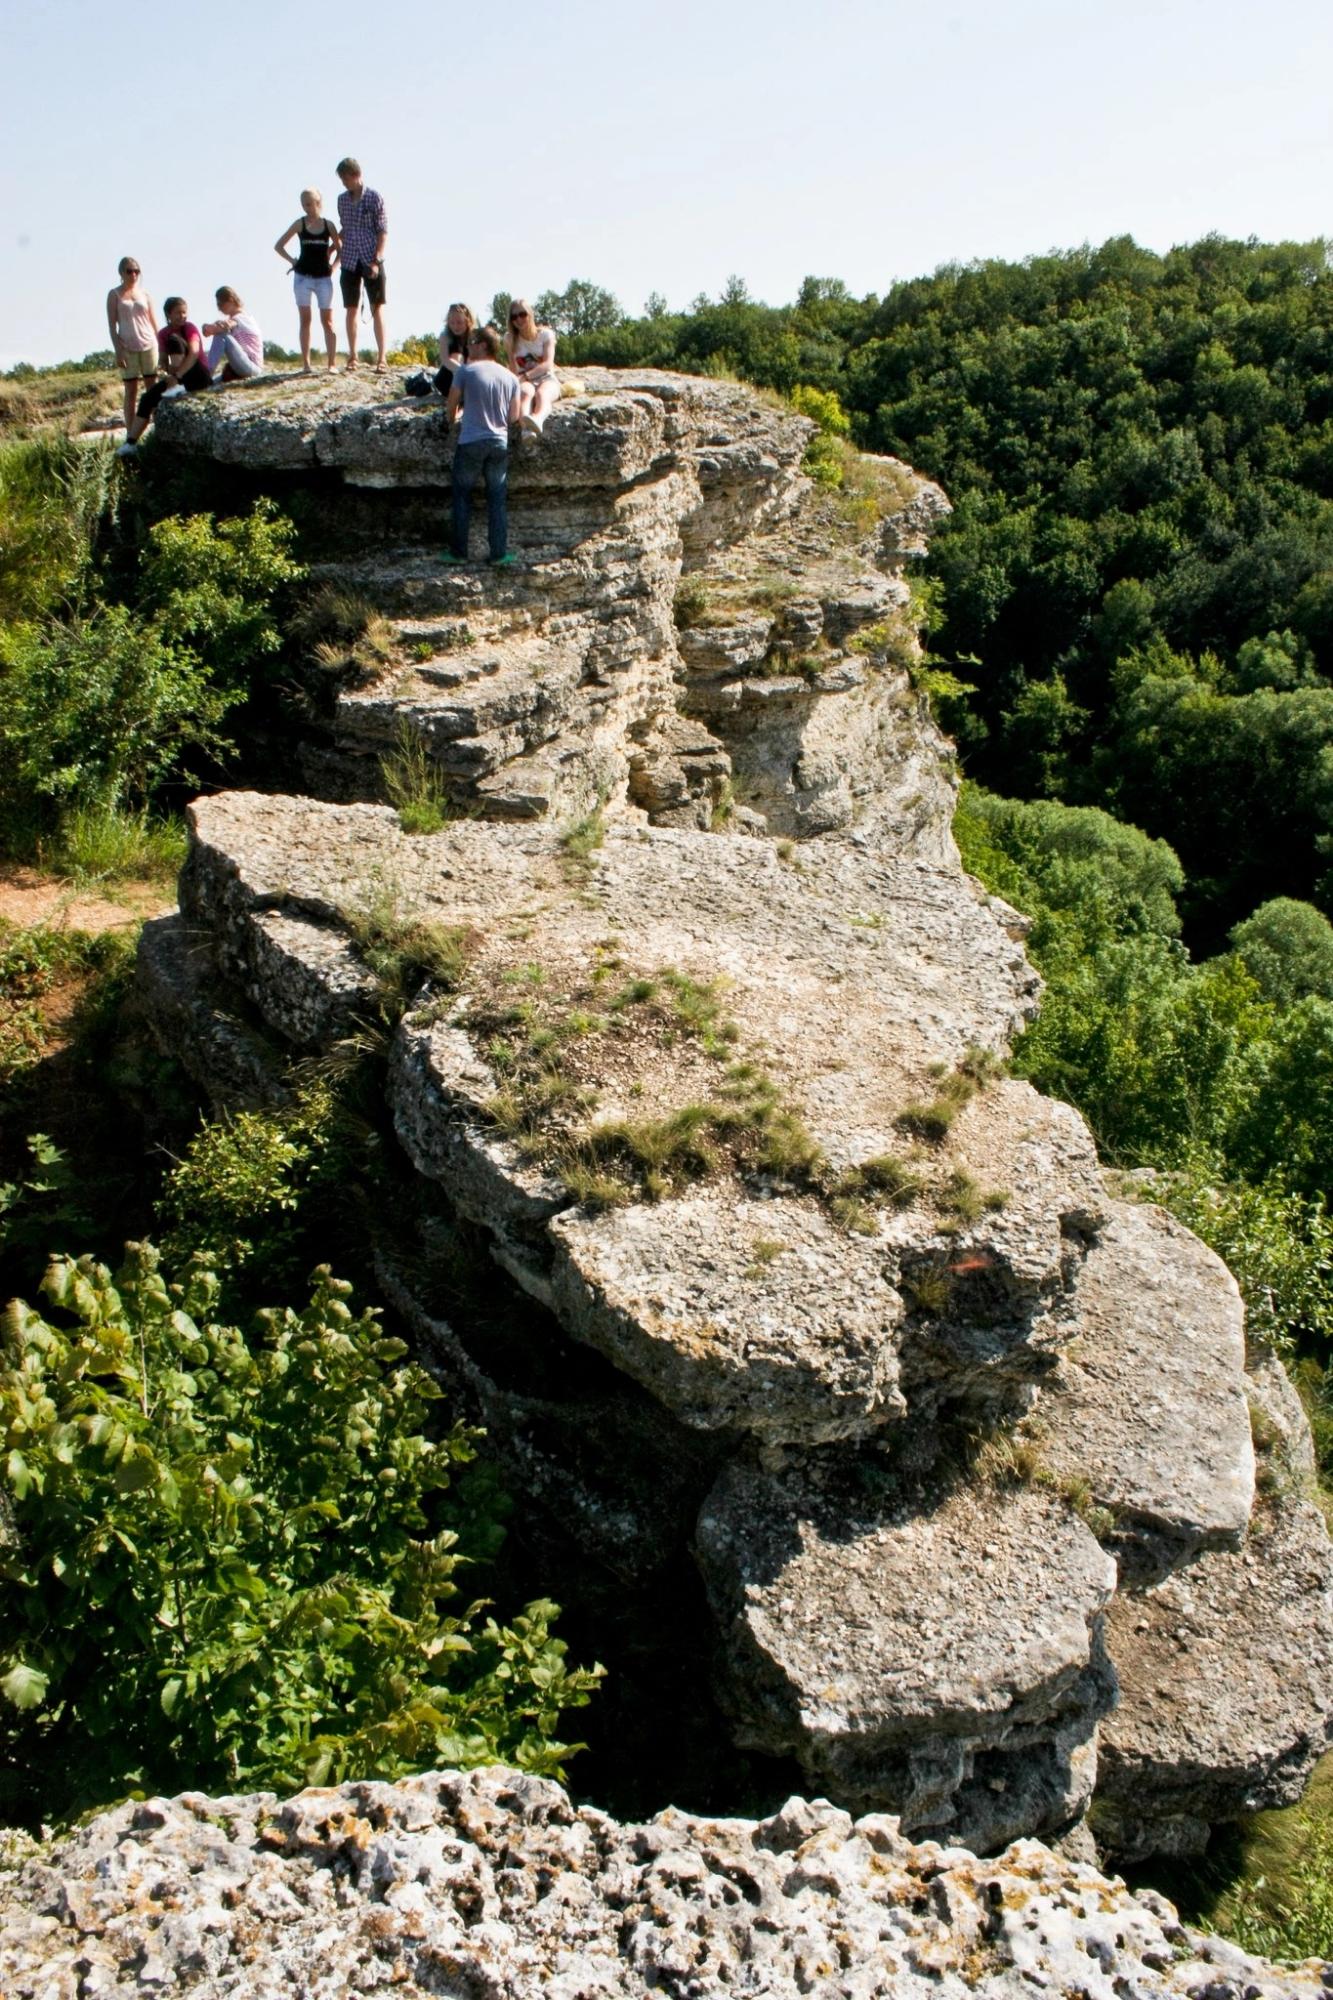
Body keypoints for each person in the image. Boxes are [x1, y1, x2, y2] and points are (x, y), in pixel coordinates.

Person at [443, 327, 520, 566]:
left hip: (471, 442)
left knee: (462, 495)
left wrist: (452, 419)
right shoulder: (511, 377)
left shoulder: (466, 370)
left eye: (473, 342)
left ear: (484, 345)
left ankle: (458, 553)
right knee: (496, 498)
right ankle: (498, 554)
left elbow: (452, 402)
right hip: (498, 442)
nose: (468, 346)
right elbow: (514, 416)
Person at [117, 297, 212, 455]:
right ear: (168, 314)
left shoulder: (190, 328)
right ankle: (130, 443)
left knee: (175, 340)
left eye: (184, 312)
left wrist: (178, 376)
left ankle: (179, 385)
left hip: (198, 374)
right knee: (148, 398)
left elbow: (194, 353)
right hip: (177, 375)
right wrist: (165, 370)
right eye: (178, 313)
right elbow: (162, 359)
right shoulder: (163, 333)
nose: (182, 316)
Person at [274, 189, 341, 374]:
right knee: (305, 319)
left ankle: (332, 363)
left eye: (313, 203)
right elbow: (278, 245)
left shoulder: (329, 226)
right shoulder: (300, 224)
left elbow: (340, 250)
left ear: (320, 203)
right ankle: (306, 364)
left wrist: (334, 268)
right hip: (303, 277)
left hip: (323, 278)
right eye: (306, 204)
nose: (310, 207)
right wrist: (292, 261)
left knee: (327, 321)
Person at [334, 156, 387, 373]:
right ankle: (352, 356)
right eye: (342, 180)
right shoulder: (342, 200)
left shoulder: (374, 198)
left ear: (355, 175)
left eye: (346, 178)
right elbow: (345, 229)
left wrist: (377, 260)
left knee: (377, 308)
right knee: (351, 308)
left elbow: (382, 231)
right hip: (348, 259)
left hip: (370, 257)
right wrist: (332, 250)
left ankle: (382, 358)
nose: (344, 183)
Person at [106, 257, 159, 436]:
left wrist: (162, 344)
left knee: (152, 388)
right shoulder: (114, 294)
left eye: (136, 271)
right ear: (121, 273)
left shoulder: (145, 294)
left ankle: (157, 428)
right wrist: (118, 350)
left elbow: (153, 321)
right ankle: (131, 434)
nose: (134, 274)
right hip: (127, 346)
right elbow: (112, 326)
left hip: (149, 344)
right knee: (131, 391)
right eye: (129, 271)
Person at [504, 299, 559, 435]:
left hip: (546, 377)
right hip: (524, 380)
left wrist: (526, 376)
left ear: (530, 314)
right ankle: (526, 430)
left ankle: (538, 419)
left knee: (542, 394)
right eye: (514, 316)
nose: (518, 319)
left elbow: (547, 364)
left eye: (522, 314)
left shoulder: (546, 335)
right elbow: (513, 367)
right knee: (525, 394)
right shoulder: (509, 339)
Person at [200, 288, 263, 380]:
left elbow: (226, 326)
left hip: (252, 367)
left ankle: (207, 373)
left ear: (231, 300)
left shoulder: (241, 318)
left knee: (222, 335)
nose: (219, 308)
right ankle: (206, 377)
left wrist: (208, 327)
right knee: (213, 382)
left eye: (220, 304)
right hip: (245, 365)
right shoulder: (241, 318)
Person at [434, 301, 475, 397]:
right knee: (456, 355)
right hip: (448, 379)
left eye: (459, 322)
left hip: (469, 378)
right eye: (452, 323)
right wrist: (465, 372)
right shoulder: (445, 336)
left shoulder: (474, 337)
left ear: (467, 321)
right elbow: (445, 360)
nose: (455, 326)